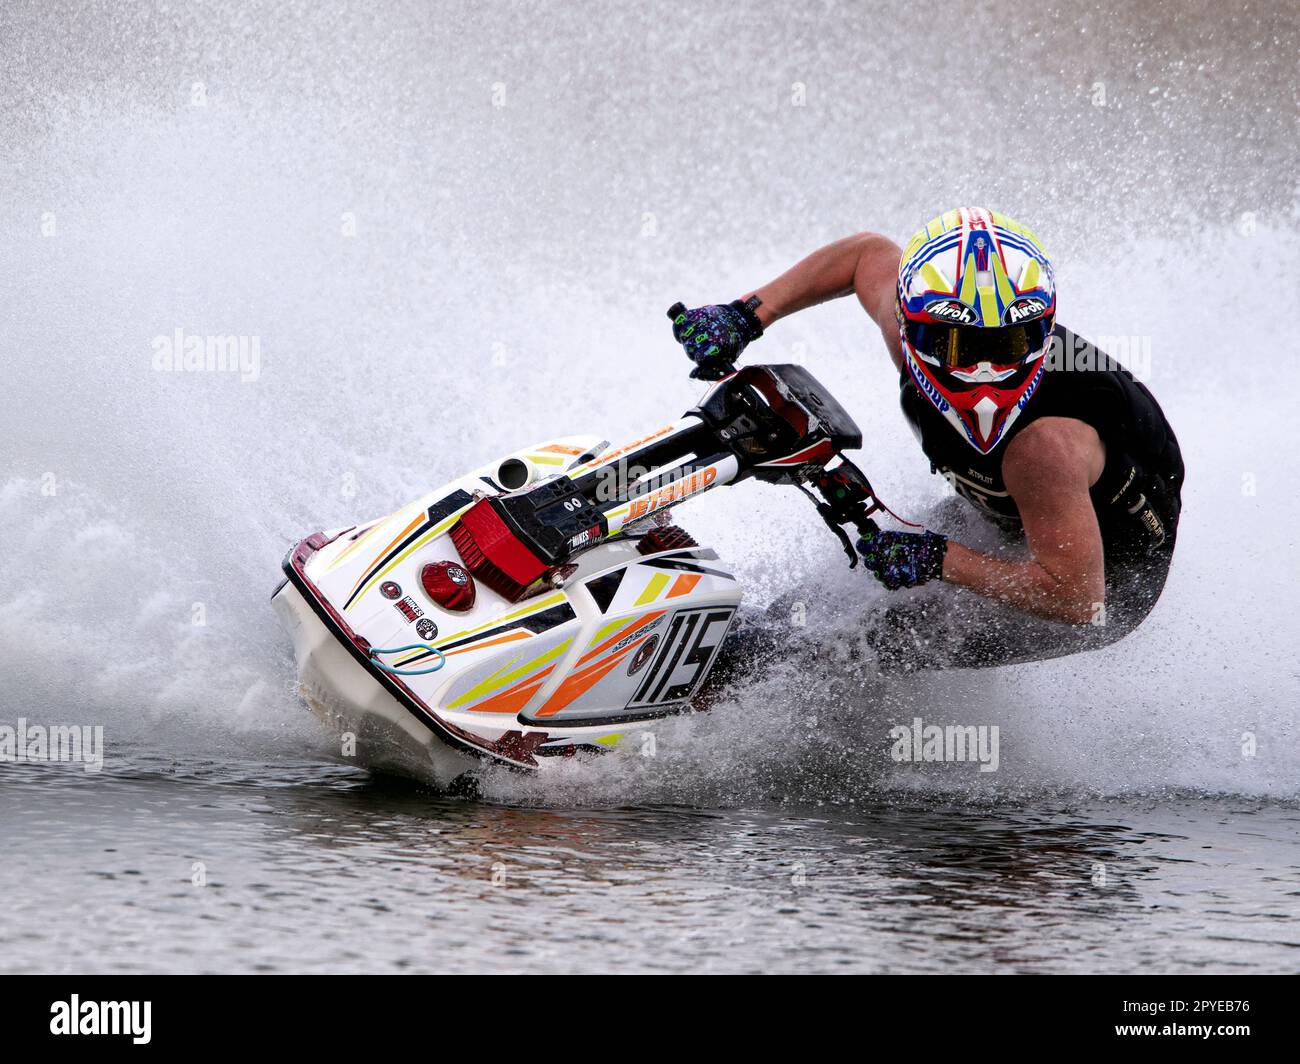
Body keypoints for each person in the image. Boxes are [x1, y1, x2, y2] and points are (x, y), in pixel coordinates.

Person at [671, 207, 1183, 670]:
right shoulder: (907, 329)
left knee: (841, 647)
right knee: (797, 618)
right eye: (959, 344)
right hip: (1007, 520)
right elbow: (864, 255)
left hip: (1100, 589)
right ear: (911, 324)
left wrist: (940, 560)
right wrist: (746, 314)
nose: (987, 370)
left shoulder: (1045, 448)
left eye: (1010, 343)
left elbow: (1077, 599)